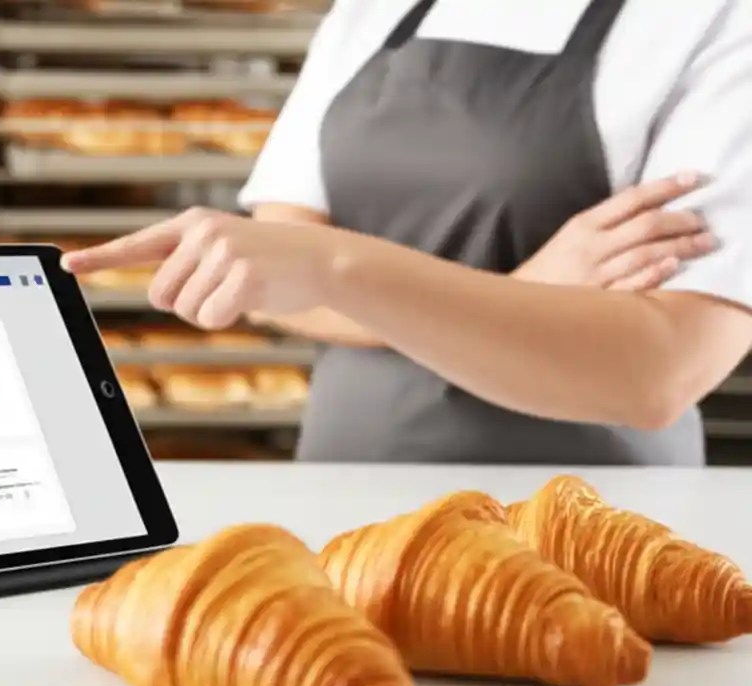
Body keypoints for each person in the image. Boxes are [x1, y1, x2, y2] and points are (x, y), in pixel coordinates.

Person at [62, 0, 752, 465]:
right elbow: (273, 268)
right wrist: (517, 291)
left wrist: (337, 270)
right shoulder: (378, 7)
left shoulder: (714, 20)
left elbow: (660, 371)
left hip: (589, 521)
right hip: (348, 489)